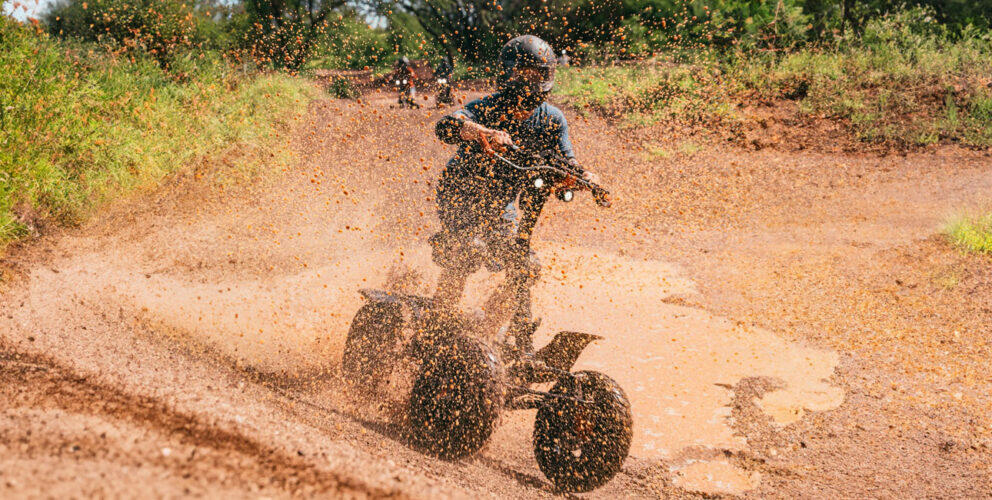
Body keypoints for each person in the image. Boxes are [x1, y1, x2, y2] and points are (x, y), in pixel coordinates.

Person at [430, 35, 599, 355]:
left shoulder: (552, 119)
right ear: (507, 73)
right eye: (523, 73)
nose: (530, 81)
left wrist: (583, 178)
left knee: (524, 266)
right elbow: (447, 126)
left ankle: (483, 338)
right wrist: (479, 131)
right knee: (466, 251)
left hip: (502, 204)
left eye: (538, 74)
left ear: (549, 76)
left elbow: (567, 160)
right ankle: (438, 329)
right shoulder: (486, 107)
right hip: (460, 193)